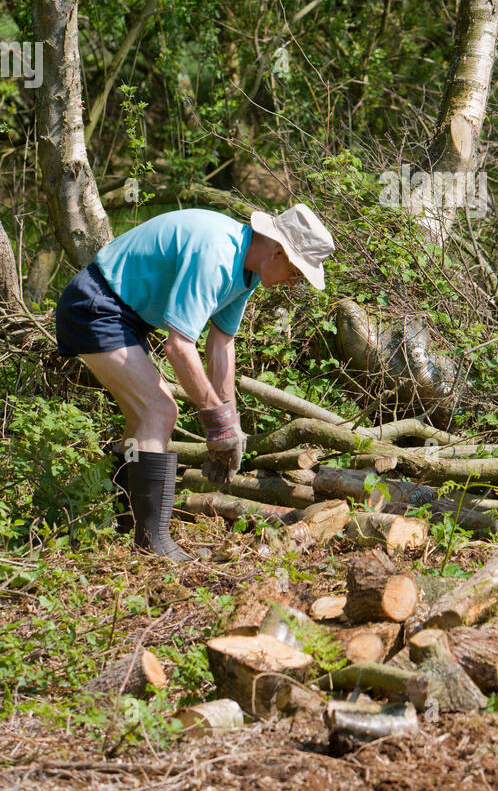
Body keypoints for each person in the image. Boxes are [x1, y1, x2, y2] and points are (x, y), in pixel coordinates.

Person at [55, 203, 335, 560]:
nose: (294, 282)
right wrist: (215, 422)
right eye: (297, 272)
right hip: (95, 306)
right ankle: (152, 543)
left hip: (123, 314)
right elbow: (179, 347)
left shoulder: (247, 270)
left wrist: (230, 422)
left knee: (144, 419)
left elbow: (221, 344)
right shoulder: (217, 254)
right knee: (159, 411)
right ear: (279, 251)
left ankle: (124, 526)